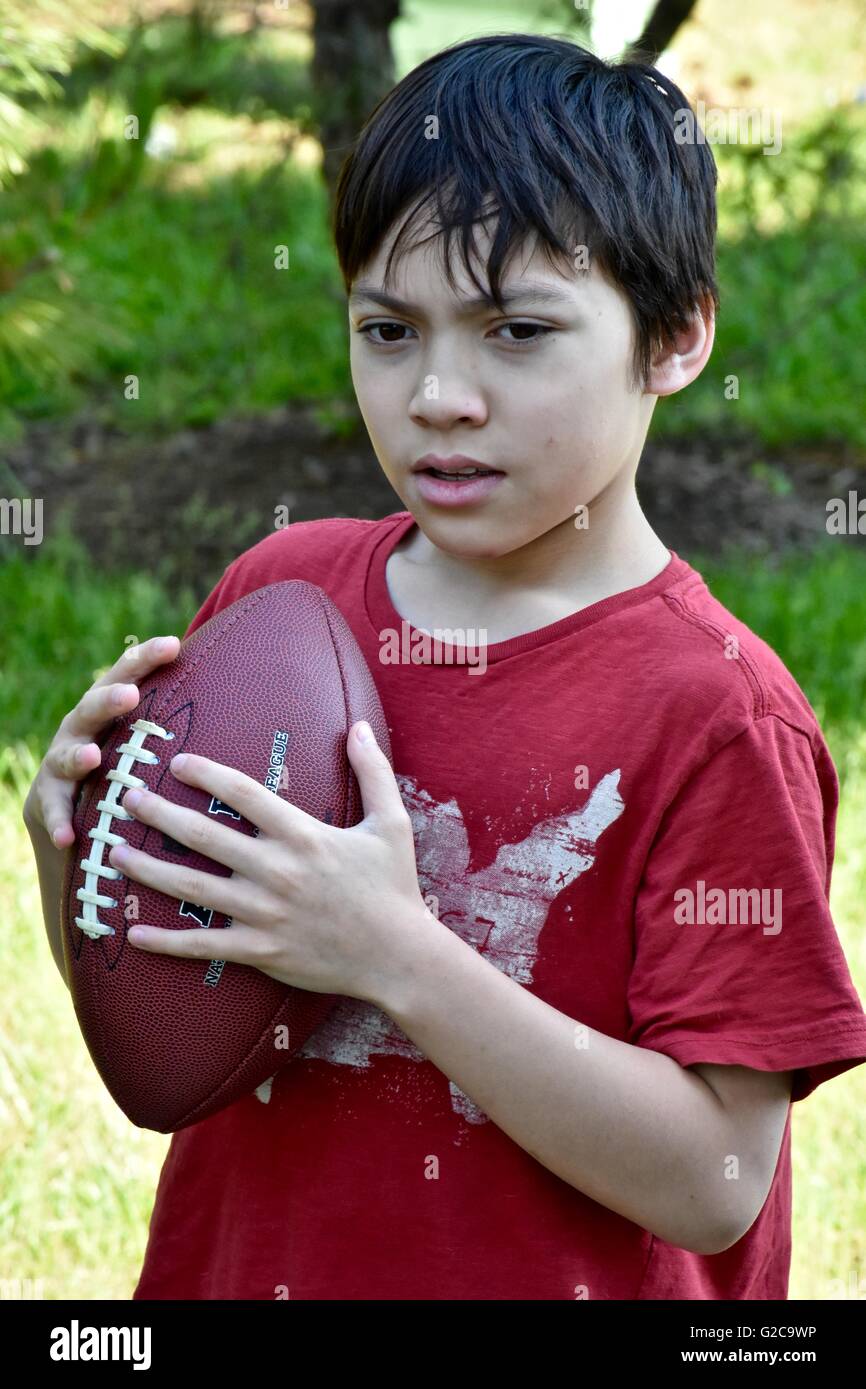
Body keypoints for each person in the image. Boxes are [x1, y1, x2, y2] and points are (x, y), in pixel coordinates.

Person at [24, 34, 866, 1300]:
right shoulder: (281, 597)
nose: (437, 394)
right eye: (386, 328)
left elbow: (713, 1186)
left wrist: (394, 955)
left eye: (515, 331)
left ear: (676, 337)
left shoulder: (712, 712)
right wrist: (80, 858)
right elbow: (162, 1052)